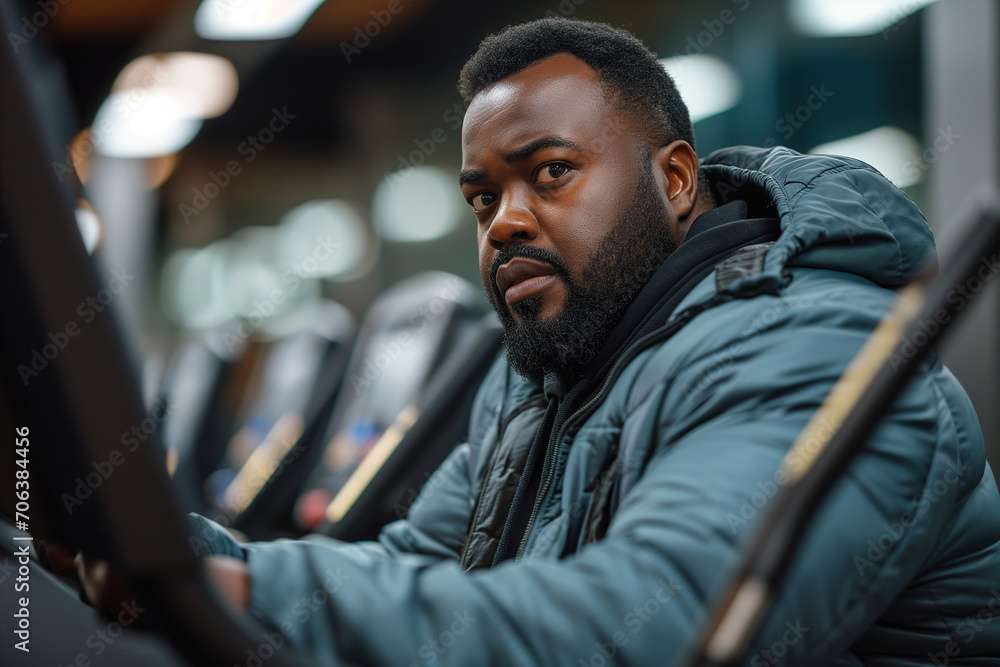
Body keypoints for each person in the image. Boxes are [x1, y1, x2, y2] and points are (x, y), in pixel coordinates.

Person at [73, 17, 1000, 666]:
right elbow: (420, 568)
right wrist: (196, 558)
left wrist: (249, 604)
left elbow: (646, 631)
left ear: (676, 179)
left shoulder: (811, 347)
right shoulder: (548, 374)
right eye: (483, 199)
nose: (505, 223)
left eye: (550, 173)